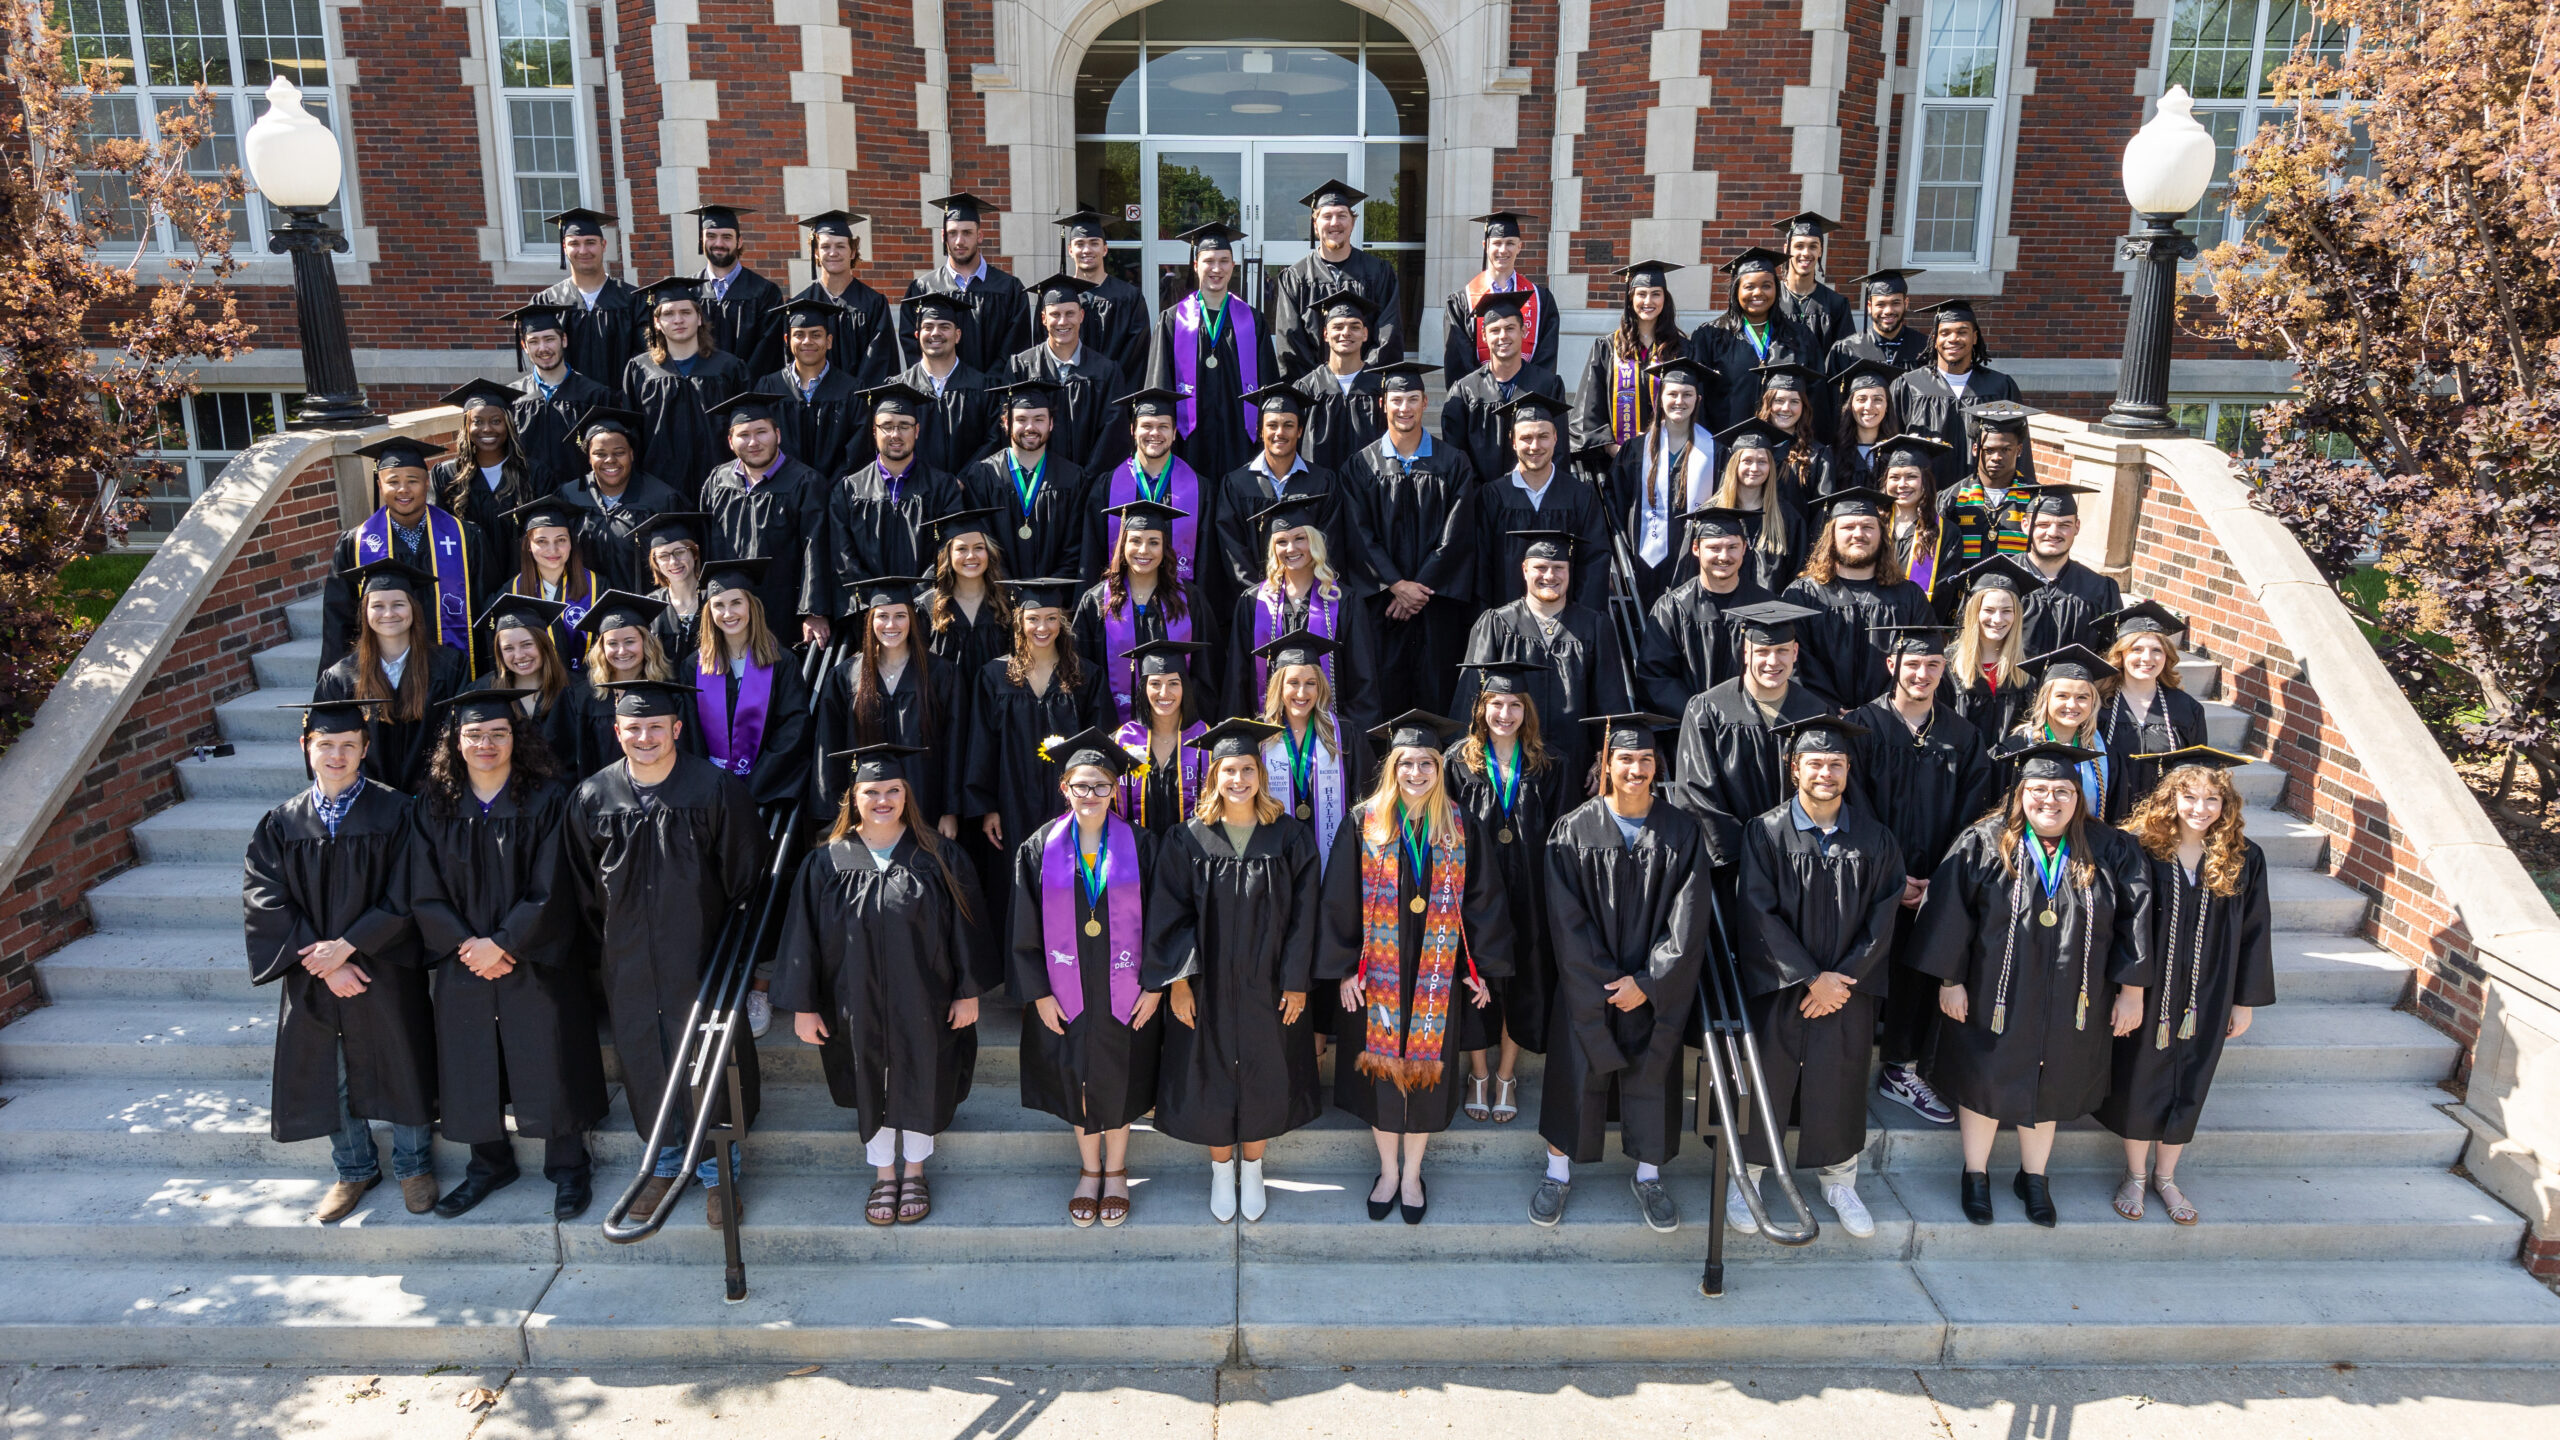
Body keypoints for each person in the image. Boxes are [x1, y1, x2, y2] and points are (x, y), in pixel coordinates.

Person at [1909, 739, 2154, 1227]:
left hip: (2074, 995)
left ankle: (2034, 1176)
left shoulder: (2109, 848)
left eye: (2063, 789)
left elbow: (2135, 919)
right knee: (1983, 1077)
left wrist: (2132, 989)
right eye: (2039, 788)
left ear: (2078, 796)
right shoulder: (1984, 841)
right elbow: (1950, 914)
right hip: (1993, 992)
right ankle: (1975, 1174)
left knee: (2053, 1079)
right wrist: (1950, 979)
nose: (2051, 800)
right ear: (2020, 793)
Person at [562, 679, 764, 1228]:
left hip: (701, 958)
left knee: (710, 1063)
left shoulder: (714, 789)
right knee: (644, 1061)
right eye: (634, 728)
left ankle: (720, 1173)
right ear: (617, 732)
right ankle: (664, 1164)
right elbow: (583, 888)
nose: (645, 736)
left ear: (676, 728)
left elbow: (745, 879)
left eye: (656, 727)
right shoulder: (592, 797)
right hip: (627, 960)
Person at [407, 692, 608, 1221]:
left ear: (518, 739)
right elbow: (421, 886)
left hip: (533, 955)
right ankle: (488, 1164)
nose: (486, 744)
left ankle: (568, 1166)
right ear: (456, 741)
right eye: (474, 735)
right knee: (470, 1058)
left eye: (498, 733)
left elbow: (556, 882)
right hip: (463, 959)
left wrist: (504, 941)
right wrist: (465, 944)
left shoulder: (548, 799)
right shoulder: (433, 802)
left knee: (549, 1052)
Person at [772, 742, 989, 1227]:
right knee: (867, 1076)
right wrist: (804, 1007)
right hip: (853, 1000)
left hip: (926, 998)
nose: (884, 799)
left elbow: (966, 929)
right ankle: (883, 1174)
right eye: (873, 791)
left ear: (907, 795)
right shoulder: (826, 862)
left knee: (924, 1073)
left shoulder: (938, 855)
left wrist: (968, 990)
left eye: (894, 789)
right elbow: (801, 936)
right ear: (854, 797)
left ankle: (915, 1170)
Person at [243, 698, 436, 1222]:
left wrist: (348, 947)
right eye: (325, 744)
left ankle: (414, 1165)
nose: (337, 754)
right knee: (331, 1068)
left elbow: (411, 889)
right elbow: (265, 897)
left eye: (348, 744)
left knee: (402, 1059)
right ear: (306, 748)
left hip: (385, 963)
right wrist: (324, 962)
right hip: (314, 971)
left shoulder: (398, 811)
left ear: (365, 749)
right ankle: (353, 1170)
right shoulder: (281, 823)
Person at [1318, 712, 1514, 1222]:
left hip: (1437, 972)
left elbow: (1483, 900)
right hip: (1375, 974)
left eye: (1427, 763)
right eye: (1407, 763)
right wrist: (1343, 971)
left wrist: (1479, 967)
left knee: (1425, 1078)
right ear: (1393, 768)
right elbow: (1338, 900)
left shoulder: (1459, 823)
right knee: (1384, 1078)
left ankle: (1412, 1174)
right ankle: (1387, 1170)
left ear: (1438, 768)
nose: (1417, 772)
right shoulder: (1365, 822)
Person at [1531, 712, 1710, 1232]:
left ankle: (1649, 1175)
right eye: (1624, 759)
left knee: (1653, 1073)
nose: (1635, 768)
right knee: (1574, 1073)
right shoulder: (1573, 829)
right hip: (1588, 984)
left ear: (1658, 766)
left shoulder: (1682, 831)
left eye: (1645, 759)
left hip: (1653, 987)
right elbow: (1565, 920)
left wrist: (1650, 983)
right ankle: (1556, 1172)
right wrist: (1609, 982)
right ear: (1605, 764)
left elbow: (1689, 916)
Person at [1144, 716, 1324, 1222]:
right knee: (1209, 1071)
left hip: (1270, 980)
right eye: (1229, 770)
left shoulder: (1289, 837)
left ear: (1261, 775)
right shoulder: (1187, 839)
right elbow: (1168, 914)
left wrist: (1296, 981)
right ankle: (1222, 1170)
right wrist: (1178, 982)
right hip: (1207, 981)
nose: (1239, 779)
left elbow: (1305, 916)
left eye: (1248, 768)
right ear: (1214, 776)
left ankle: (1253, 1166)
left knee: (1267, 1068)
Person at [1731, 713, 1904, 1239]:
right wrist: (1810, 978)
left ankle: (1839, 1181)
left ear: (1848, 770)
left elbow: (1884, 917)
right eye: (1815, 763)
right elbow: (1757, 911)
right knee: (1769, 1078)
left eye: (1835, 763)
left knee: (1841, 1079)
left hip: (1848, 992)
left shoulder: (1875, 839)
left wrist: (1842, 979)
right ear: (1794, 769)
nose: (1825, 772)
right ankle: (1752, 1179)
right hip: (1782, 987)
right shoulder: (1764, 832)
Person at [2097, 747, 2274, 1226]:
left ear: (2226, 805)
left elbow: (2256, 931)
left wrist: (2244, 1001)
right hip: (2150, 988)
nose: (2201, 808)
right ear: (2169, 799)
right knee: (2140, 1078)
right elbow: (2119, 924)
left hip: (2209, 992)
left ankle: (2166, 1177)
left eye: (2212, 799)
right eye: (2190, 797)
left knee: (2192, 1078)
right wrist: (2128, 989)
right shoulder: (2138, 847)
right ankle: (2135, 1174)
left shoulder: (2243, 857)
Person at [1010, 729, 1165, 1227]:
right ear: (1064, 789)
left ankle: (1116, 1171)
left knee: (1120, 1078)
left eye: (1101, 786)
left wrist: (1156, 985)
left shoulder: (1142, 845)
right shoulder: (1039, 847)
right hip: (1066, 991)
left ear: (1115, 790)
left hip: (1127, 989)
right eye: (1081, 786)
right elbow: (1023, 925)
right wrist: (1037, 994)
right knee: (1076, 1075)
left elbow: (1165, 920)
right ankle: (1088, 1169)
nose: (1091, 795)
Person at [1847, 626, 1995, 1127]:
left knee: (1918, 971)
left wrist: (1939, 878)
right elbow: (1853, 807)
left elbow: (1973, 815)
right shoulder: (1860, 728)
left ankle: (1900, 1069)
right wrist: (1892, 874)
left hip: (1937, 882)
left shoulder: (1962, 736)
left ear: (1943, 670)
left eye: (1932, 665)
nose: (1922, 673)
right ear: (1892, 666)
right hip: (1869, 880)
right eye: (1912, 664)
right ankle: (1843, 1067)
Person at [962, 576, 1115, 932]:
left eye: (1051, 618)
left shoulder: (1085, 676)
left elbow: (1099, 743)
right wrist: (988, 807)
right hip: (1011, 798)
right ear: (1020, 622)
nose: (1042, 627)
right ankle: (1022, 975)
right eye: (1033, 619)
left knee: (1069, 873)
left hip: (1070, 800)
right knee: (1015, 880)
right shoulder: (995, 676)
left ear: (1063, 622)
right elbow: (981, 745)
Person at [1445, 661, 1562, 1121]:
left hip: (1531, 889)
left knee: (1523, 979)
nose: (1505, 713)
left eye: (1515, 704)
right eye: (1497, 703)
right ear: (1481, 707)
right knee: (1475, 975)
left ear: (1526, 710)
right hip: (1474, 889)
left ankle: (1506, 1075)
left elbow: (1559, 832)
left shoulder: (1550, 764)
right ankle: (1477, 1071)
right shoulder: (1456, 762)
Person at [1448, 531, 1629, 802]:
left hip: (1575, 768)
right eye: (1540, 567)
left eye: (1559, 568)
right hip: (1506, 767)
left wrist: (1606, 758)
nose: (1549, 576)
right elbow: (1471, 700)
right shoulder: (1497, 624)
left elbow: (1610, 700)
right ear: (1524, 570)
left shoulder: (1594, 626)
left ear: (1570, 571)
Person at [1341, 360, 1478, 718]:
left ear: (1424, 404)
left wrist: (1418, 587)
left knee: (1436, 692)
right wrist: (1395, 584)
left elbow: (1458, 531)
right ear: (1383, 404)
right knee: (1381, 695)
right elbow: (1358, 534)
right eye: (1397, 399)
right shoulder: (1361, 465)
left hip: (1435, 605)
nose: (1405, 408)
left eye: (1413, 398)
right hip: (1383, 607)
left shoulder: (1453, 463)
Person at [1666, 601, 1834, 876]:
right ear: (1746, 653)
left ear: (1795, 652)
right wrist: (1747, 849)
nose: (1772, 661)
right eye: (1763, 652)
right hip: (1732, 865)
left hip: (1800, 862)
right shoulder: (1707, 709)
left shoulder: (1814, 712)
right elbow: (1697, 793)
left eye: (1781, 651)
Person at [321, 435, 490, 676]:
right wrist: (336, 686)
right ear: (380, 486)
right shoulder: (356, 544)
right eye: (393, 482)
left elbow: (484, 606)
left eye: (413, 480)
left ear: (427, 483)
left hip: (453, 672)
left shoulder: (465, 537)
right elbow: (338, 620)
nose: (403, 489)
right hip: (385, 674)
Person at [812, 575, 968, 835]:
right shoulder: (846, 675)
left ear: (913, 620)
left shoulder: (942, 673)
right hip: (868, 806)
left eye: (900, 615)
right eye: (882, 616)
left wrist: (950, 810)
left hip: (926, 801)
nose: (891, 625)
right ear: (870, 621)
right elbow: (828, 746)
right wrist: (835, 815)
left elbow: (955, 745)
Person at [314, 560, 470, 792]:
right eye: (377, 606)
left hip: (435, 800)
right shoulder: (341, 677)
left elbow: (457, 734)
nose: (388, 614)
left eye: (398, 604)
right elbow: (329, 744)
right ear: (365, 611)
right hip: (367, 804)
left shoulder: (450, 667)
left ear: (413, 609)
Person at [1144, 221, 1276, 493]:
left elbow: (1268, 385)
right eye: (1209, 261)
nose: (1216, 269)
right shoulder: (1172, 320)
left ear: (1233, 265)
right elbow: (1159, 385)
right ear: (1195, 265)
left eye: (1224, 261)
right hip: (1189, 441)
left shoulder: (1252, 321)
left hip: (1240, 438)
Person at [1210, 386, 1363, 620]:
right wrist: (1262, 597)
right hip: (1257, 606)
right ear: (1261, 431)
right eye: (1272, 425)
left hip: (1312, 606)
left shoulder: (1322, 481)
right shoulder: (1237, 483)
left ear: (1300, 431)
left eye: (1288, 425)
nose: (1279, 433)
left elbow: (1330, 542)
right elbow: (1232, 550)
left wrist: (1306, 596)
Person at [1228, 497, 1377, 735]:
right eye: (1282, 542)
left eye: (1300, 539)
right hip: (1268, 732)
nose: (1291, 549)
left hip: (1331, 732)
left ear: (1315, 542)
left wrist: (1352, 736)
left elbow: (1362, 676)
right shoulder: (1254, 601)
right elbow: (1238, 674)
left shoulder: (1343, 600)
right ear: (1273, 548)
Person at [699, 391, 834, 646]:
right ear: (730, 441)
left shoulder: (805, 482)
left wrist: (814, 611)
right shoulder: (718, 481)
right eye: (743, 435)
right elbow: (706, 542)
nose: (753, 442)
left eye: (761, 432)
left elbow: (816, 547)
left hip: (783, 605)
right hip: (729, 608)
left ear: (778, 435)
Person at [1783, 487, 1935, 708]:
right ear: (1831, 536)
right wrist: (1829, 709)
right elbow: (1796, 662)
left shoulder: (1909, 596)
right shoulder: (1803, 595)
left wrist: (1880, 710)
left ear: (1882, 535)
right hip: (1821, 722)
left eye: (1867, 527)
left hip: (1891, 720)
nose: (1858, 534)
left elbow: (1920, 655)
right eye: (1848, 527)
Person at [683, 557, 814, 814]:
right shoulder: (693, 666)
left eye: (736, 603)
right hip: (710, 796)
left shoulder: (781, 662)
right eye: (719, 605)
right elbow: (689, 731)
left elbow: (793, 726)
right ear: (709, 612)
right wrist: (710, 783)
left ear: (751, 606)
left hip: (767, 793)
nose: (728, 613)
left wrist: (757, 782)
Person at [1077, 500, 1221, 726]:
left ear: (1165, 549)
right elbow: (1084, 674)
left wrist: (1191, 723)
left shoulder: (1190, 600)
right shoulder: (1095, 602)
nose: (1144, 550)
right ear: (1122, 545)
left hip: (1178, 734)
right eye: (1135, 541)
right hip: (1111, 730)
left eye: (1154, 542)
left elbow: (1207, 671)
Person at [1470, 392, 1611, 612]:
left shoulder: (1580, 496)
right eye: (1526, 438)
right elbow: (1481, 569)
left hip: (1568, 631)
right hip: (1507, 627)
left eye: (1543, 436)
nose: (1535, 446)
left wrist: (1583, 625)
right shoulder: (1493, 496)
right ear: (1513, 441)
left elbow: (1594, 564)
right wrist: (1491, 623)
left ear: (1556, 438)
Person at [826, 380, 964, 606]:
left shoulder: (943, 487)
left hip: (926, 606)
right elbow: (843, 556)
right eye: (887, 426)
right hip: (868, 609)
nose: (895, 434)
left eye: (904, 426)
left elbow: (947, 549)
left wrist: (918, 597)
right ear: (874, 431)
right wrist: (878, 599)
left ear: (917, 431)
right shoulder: (848, 490)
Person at [1604, 356, 1721, 609]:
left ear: (1698, 400)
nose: (1680, 401)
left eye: (1687, 394)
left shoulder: (1715, 451)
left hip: (1694, 559)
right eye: (1673, 394)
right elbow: (1615, 502)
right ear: (1660, 399)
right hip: (1644, 560)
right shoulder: (1635, 450)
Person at [1635, 506, 1777, 715]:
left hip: (1753, 726)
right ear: (1695, 548)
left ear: (1744, 548)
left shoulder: (1766, 606)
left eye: (1732, 547)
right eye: (1714, 548)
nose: (1724, 556)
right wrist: (1700, 714)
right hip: (1690, 728)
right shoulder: (1672, 607)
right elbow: (1656, 675)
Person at [1253, 631, 1376, 872]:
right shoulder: (1259, 738)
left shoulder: (1344, 734)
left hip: (1337, 862)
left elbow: (1367, 798)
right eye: (1293, 683)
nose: (1302, 693)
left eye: (1311, 683)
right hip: (1273, 866)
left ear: (1320, 687)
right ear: (1279, 686)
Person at [622, 275, 753, 497]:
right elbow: (631, 431)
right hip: (660, 484)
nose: (678, 320)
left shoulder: (729, 367)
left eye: (686, 312)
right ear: (657, 323)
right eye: (669, 314)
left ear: (699, 318)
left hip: (722, 483)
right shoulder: (640, 369)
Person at [1269, 178, 1405, 381]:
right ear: (1316, 225)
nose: (1335, 223)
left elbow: (1389, 334)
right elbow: (1290, 342)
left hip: (1366, 388)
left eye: (1342, 215)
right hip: (1313, 395)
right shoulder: (1295, 278)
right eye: (1327, 216)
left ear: (1352, 222)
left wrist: (1363, 378)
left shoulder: (1378, 272)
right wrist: (1319, 383)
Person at [1891, 300, 2036, 488]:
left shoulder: (2000, 386)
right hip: (1925, 500)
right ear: (1934, 340)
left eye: (1962, 332)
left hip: (1982, 502)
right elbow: (1892, 448)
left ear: (1975, 337)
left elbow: (2020, 448)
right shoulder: (1909, 386)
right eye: (1945, 333)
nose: (1953, 339)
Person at [962, 380, 1093, 586]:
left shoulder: (1073, 478)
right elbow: (983, 541)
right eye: (1021, 419)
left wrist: (1048, 592)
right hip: (999, 599)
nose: (1030, 427)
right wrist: (1008, 591)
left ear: (1051, 423)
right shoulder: (984, 475)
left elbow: (1075, 546)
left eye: (1039, 419)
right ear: (1006, 423)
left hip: (1052, 604)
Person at [1003, 274, 1131, 475]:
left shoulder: (1106, 371)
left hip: (1089, 486)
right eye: (1055, 314)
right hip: (1035, 482)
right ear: (1044, 318)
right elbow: (1011, 427)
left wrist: (1084, 479)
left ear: (1081, 315)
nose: (1063, 322)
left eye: (1070, 313)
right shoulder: (1021, 367)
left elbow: (1112, 436)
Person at [1091, 388, 1215, 590]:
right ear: (1133, 430)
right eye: (1146, 426)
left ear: (1174, 433)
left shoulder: (1200, 488)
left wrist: (1197, 605)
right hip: (1121, 602)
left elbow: (1207, 561)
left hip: (1181, 604)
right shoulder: (1106, 486)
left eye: (1163, 426)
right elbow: (1092, 554)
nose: (1155, 433)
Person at [1440, 291, 1568, 486]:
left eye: (1510, 328)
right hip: (1480, 503)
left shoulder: (1548, 385)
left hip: (1536, 502)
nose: (1503, 336)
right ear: (1483, 336)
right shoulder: (1465, 391)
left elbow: (1559, 452)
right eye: (1495, 330)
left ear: (1523, 331)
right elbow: (1456, 456)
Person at [557, 407, 687, 597]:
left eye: (619, 452)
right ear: (588, 457)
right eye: (600, 454)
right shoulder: (570, 496)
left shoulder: (661, 499)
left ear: (632, 454)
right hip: (582, 605)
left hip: (645, 605)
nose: (610, 460)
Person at [1690, 246, 1818, 431]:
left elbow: (1814, 395)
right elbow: (1698, 395)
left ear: (1777, 288)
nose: (1758, 293)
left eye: (1766, 285)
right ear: (1736, 290)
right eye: (1749, 286)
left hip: (1785, 447)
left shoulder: (1798, 337)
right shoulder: (1712, 336)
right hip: (1726, 444)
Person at [905, 192, 1031, 374]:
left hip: (994, 393)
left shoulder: (1008, 288)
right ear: (943, 236)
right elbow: (913, 345)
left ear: (980, 235)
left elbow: (1016, 346)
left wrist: (989, 384)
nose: (959, 241)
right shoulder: (923, 288)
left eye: (967, 233)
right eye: (952, 233)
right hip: (940, 394)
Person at [2099, 600, 2207, 814]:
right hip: (2106, 817)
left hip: (2165, 819)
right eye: (2136, 649)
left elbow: (2197, 770)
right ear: (2121, 655)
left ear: (2167, 656)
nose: (2147, 658)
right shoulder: (2099, 705)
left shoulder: (2186, 709)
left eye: (2156, 650)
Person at [1572, 259, 1688, 458]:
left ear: (1665, 299)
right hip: (1618, 460)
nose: (1648, 302)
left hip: (1669, 455)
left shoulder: (1680, 349)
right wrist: (1612, 448)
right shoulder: (1608, 348)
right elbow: (1590, 406)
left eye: (1656, 294)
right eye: (1641, 294)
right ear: (1631, 299)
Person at [753, 293, 872, 481]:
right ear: (787, 340)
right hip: (782, 492)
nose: (807, 341)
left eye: (816, 335)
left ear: (829, 341)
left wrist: (834, 490)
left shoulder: (852, 390)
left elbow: (857, 450)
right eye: (799, 335)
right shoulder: (768, 387)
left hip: (837, 495)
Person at [505, 301, 617, 491]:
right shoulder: (514, 398)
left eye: (549, 339)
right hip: (530, 500)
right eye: (534, 341)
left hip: (583, 498)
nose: (543, 348)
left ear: (563, 340)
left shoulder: (595, 395)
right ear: (524, 346)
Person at [563, 590, 676, 778]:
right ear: (602, 648)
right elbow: (565, 760)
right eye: (612, 643)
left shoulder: (669, 692)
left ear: (646, 643)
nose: (622, 651)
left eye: (630, 641)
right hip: (601, 799)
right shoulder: (580, 697)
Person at [785, 210, 904, 387]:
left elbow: (881, 362)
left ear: (853, 252)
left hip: (861, 405)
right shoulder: (800, 304)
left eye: (840, 246)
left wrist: (854, 401)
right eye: (825, 247)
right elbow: (792, 363)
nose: (833, 253)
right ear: (816, 252)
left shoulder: (873, 303)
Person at [532, 207, 645, 389]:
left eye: (590, 242)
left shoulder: (633, 300)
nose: (583, 250)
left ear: (603, 245)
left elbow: (646, 358)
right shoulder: (548, 302)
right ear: (564, 247)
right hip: (568, 406)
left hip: (622, 408)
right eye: (574, 243)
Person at [1111, 638, 1214, 837]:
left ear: (1185, 687)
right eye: (1155, 684)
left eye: (1173, 683)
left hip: (1191, 856)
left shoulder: (1206, 741)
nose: (1164, 693)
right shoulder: (1121, 741)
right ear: (1143, 688)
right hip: (1136, 854)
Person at [2007, 644, 2120, 823]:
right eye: (2062, 696)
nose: (2072, 705)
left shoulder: (2106, 756)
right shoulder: (2016, 747)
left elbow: (2115, 815)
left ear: (2093, 703)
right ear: (2045, 699)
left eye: (2082, 697)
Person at [432, 380, 539, 566]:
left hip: (521, 579)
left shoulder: (534, 474)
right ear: (467, 427)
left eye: (496, 421)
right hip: (466, 578)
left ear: (508, 425)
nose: (487, 429)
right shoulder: (447, 476)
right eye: (477, 422)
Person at [1444, 210, 1558, 384]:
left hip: (1527, 399)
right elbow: (1459, 360)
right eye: (1497, 243)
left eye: (1510, 243)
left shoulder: (1541, 299)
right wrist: (1485, 394)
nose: (1503, 250)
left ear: (1520, 247)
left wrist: (1526, 395)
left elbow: (1546, 356)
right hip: (1478, 400)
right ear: (1485, 246)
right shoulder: (1462, 301)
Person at [1931, 398, 2039, 582]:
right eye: (1989, 450)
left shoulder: (2035, 499)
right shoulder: (1951, 498)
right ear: (1975, 449)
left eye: (2006, 450)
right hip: (1962, 599)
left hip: (2016, 601)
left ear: (2019, 450)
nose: (1997, 457)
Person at [895, 292, 1000, 477]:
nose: (935, 333)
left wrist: (964, 479)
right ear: (918, 335)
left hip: (972, 493)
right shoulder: (900, 388)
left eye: (944, 327)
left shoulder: (983, 387)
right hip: (915, 494)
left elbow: (994, 440)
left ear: (957, 335)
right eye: (928, 327)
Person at [471, 594, 582, 764]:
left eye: (527, 644)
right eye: (508, 648)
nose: (519, 655)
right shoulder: (483, 691)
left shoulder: (575, 690)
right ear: (499, 653)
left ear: (543, 644)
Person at [1941, 554, 2041, 741]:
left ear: (2017, 615)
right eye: (1988, 610)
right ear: (1973, 612)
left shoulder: (2026, 668)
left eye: (2007, 611)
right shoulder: (1947, 665)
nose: (1997, 619)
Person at [2018, 478, 2124, 652]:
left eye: (2064, 525)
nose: (2053, 533)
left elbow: (2111, 653)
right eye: (2043, 524)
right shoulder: (2001, 579)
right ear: (2025, 525)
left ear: (2077, 527)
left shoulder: (2099, 589)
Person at [1288, 288, 1388, 473]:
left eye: (1354, 327)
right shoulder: (1306, 389)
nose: (1346, 333)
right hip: (1319, 494)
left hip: (1369, 493)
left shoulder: (1380, 388)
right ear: (1326, 334)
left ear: (1365, 334)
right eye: (1338, 326)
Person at [1703, 419, 1807, 595]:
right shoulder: (1710, 514)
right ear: (1735, 464)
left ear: (1770, 466)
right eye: (1747, 461)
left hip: (1772, 615)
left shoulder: (1787, 516)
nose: (1754, 468)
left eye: (1762, 461)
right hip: (1720, 616)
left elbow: (1798, 574)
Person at [497, 495, 601, 669]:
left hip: (586, 686)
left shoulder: (598, 586)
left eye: (561, 540)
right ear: (528, 546)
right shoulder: (510, 592)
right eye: (541, 541)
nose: (552, 550)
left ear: (571, 543)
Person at [1051, 207, 1150, 380]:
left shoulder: (1129, 297)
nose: (1087, 250)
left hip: (1116, 394)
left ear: (1105, 249)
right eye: (1080, 244)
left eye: (1094, 243)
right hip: (1067, 394)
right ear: (1070, 250)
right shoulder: (1056, 297)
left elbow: (1137, 355)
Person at [687, 202, 786, 375]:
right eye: (711, 236)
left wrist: (740, 385)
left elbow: (768, 352)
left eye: (727, 237)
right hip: (700, 392)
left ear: (739, 242)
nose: (719, 243)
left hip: (748, 393)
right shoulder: (687, 291)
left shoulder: (764, 292)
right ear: (702, 240)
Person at [923, 507, 1015, 683]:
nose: (971, 556)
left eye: (979, 548)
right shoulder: (927, 605)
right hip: (945, 705)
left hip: (998, 705)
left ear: (989, 552)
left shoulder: (1009, 600)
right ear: (948, 554)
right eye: (962, 549)